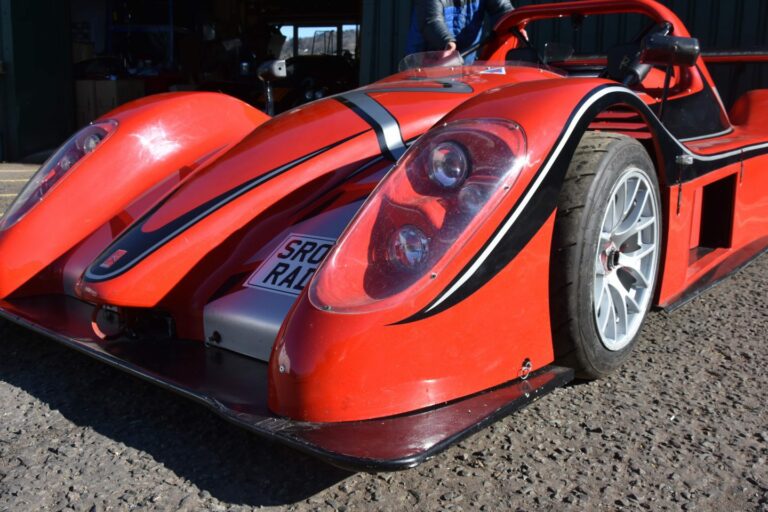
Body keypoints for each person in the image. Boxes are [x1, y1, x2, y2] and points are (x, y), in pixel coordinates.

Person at [406, 0, 514, 63]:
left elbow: (502, 9)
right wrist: (447, 43)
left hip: (465, 67)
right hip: (425, 65)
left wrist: (515, 24)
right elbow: (431, 20)